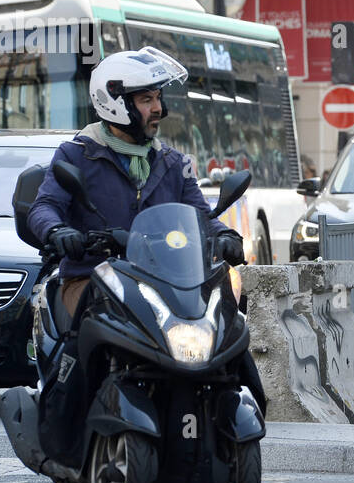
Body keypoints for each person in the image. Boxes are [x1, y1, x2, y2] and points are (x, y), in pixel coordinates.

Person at [29, 46, 246, 321]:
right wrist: (56, 230)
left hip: (167, 282)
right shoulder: (77, 154)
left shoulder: (173, 162)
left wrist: (225, 235)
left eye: (158, 98)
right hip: (93, 278)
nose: (158, 109)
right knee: (93, 334)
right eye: (146, 100)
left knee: (227, 327)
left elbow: (200, 215)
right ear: (115, 103)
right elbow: (44, 206)